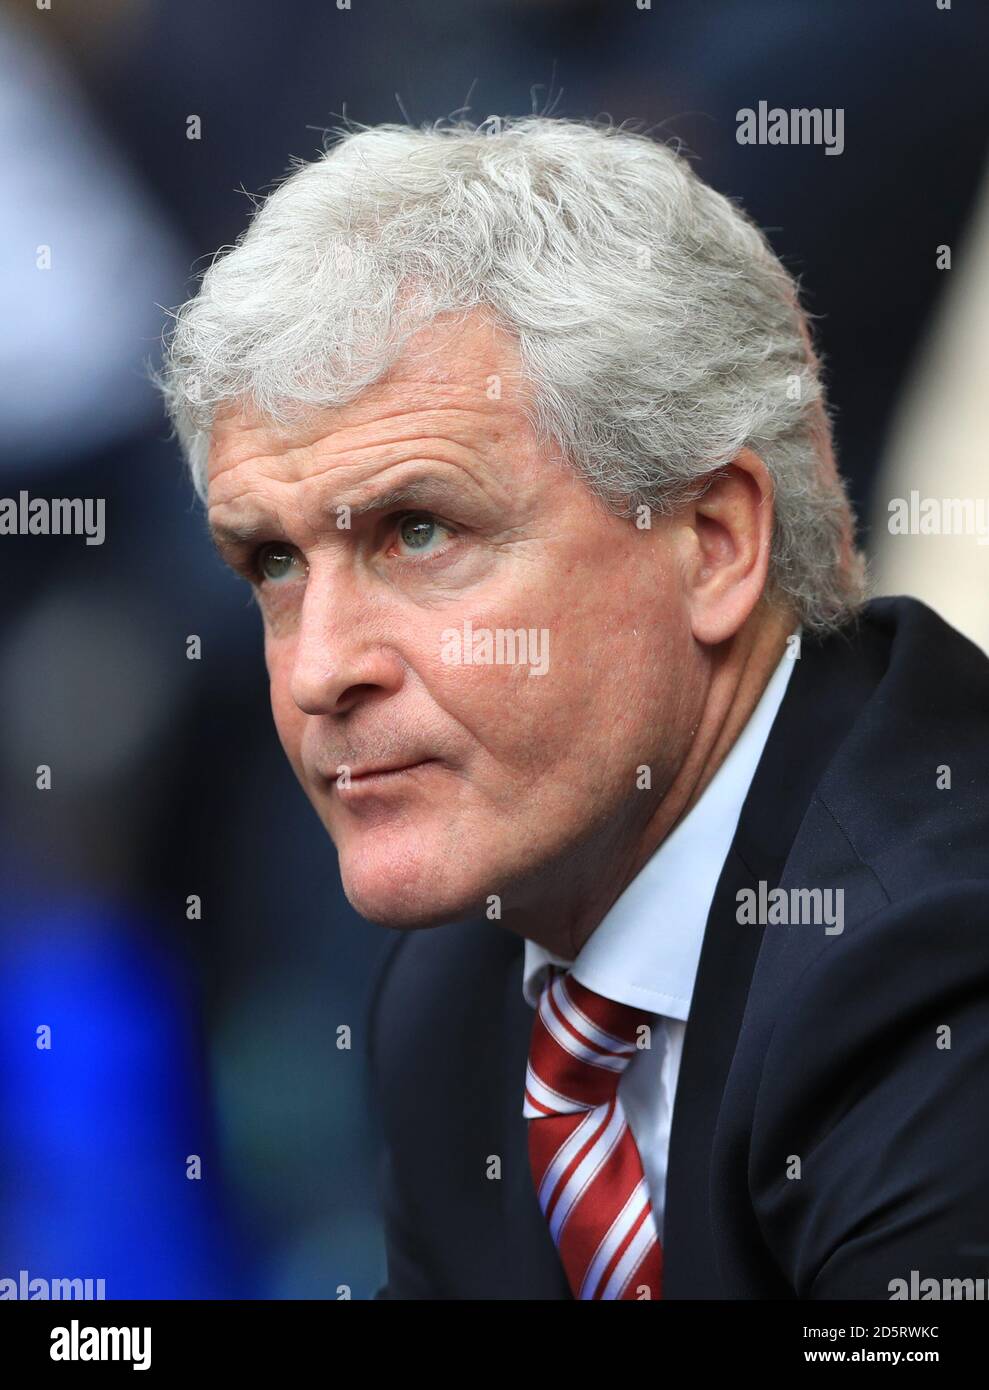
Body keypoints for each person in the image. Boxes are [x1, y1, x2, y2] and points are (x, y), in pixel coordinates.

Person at [156, 116, 989, 1300]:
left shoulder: (938, 960)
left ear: (711, 544)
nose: (316, 671)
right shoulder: (456, 988)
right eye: (274, 565)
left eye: (419, 530)